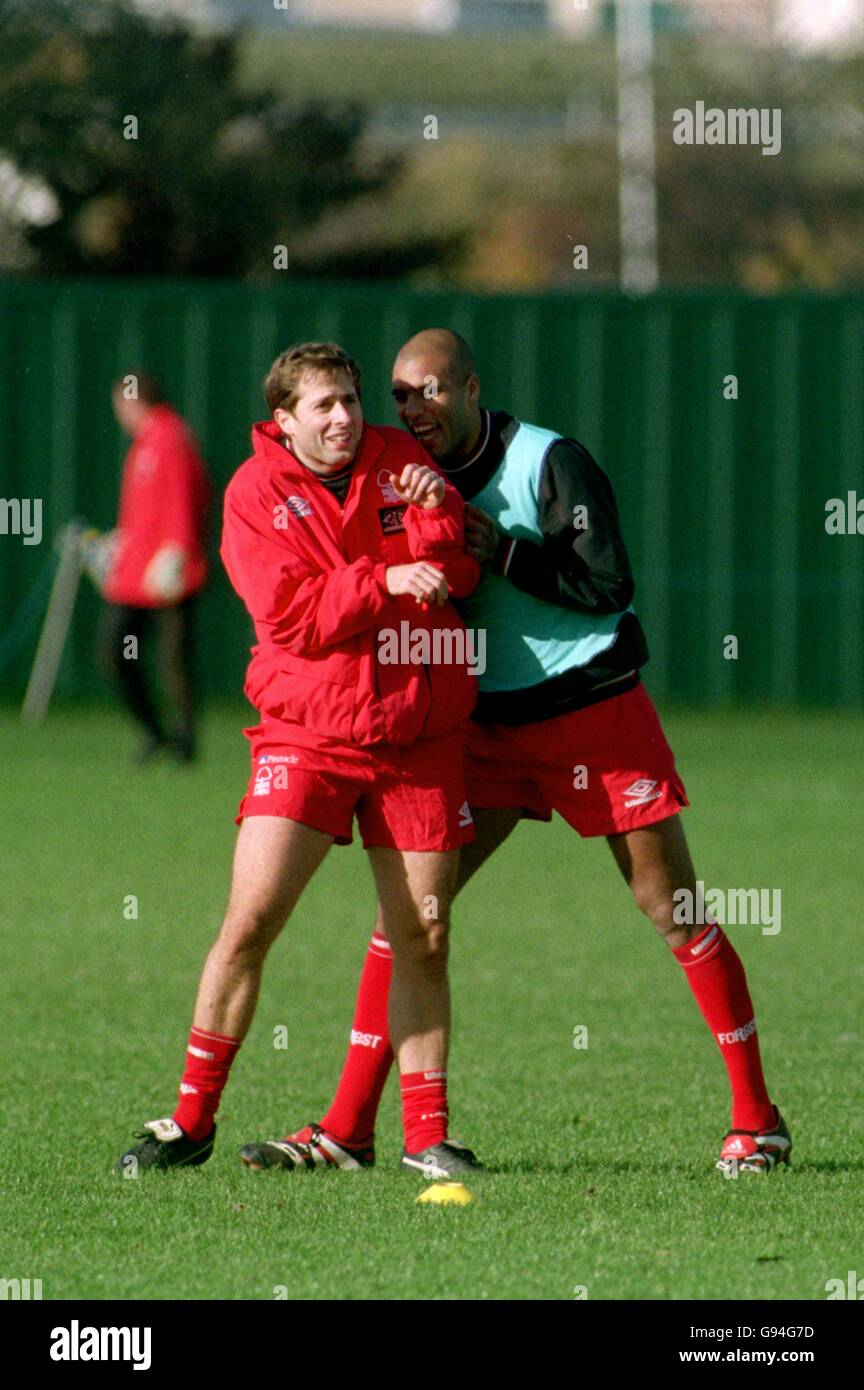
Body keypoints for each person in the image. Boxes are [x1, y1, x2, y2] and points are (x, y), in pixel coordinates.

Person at [269, 329, 790, 1178]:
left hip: (595, 713)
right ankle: (345, 1131)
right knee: (410, 921)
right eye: (400, 395)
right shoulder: (398, 472)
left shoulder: (550, 461)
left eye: (431, 390)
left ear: (472, 386)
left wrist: (499, 550)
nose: (413, 409)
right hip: (484, 731)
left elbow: (609, 585)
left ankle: (757, 1122)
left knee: (674, 910)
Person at [116, 342, 483, 1179]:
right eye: (323, 406)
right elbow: (289, 620)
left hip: (417, 733)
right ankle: (190, 1118)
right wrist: (388, 581)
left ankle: (427, 1135)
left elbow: (454, 570)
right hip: (308, 733)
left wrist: (438, 513)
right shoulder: (254, 492)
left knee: (424, 934)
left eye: (351, 401)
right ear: (283, 421)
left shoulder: (404, 462)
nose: (345, 417)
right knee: (249, 924)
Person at [101, 372, 210, 763]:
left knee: (174, 658)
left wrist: (177, 551)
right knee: (120, 650)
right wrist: (121, 544)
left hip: (168, 571)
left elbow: (184, 498)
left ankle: (184, 741)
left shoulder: (170, 437)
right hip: (135, 574)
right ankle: (155, 730)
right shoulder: (144, 444)